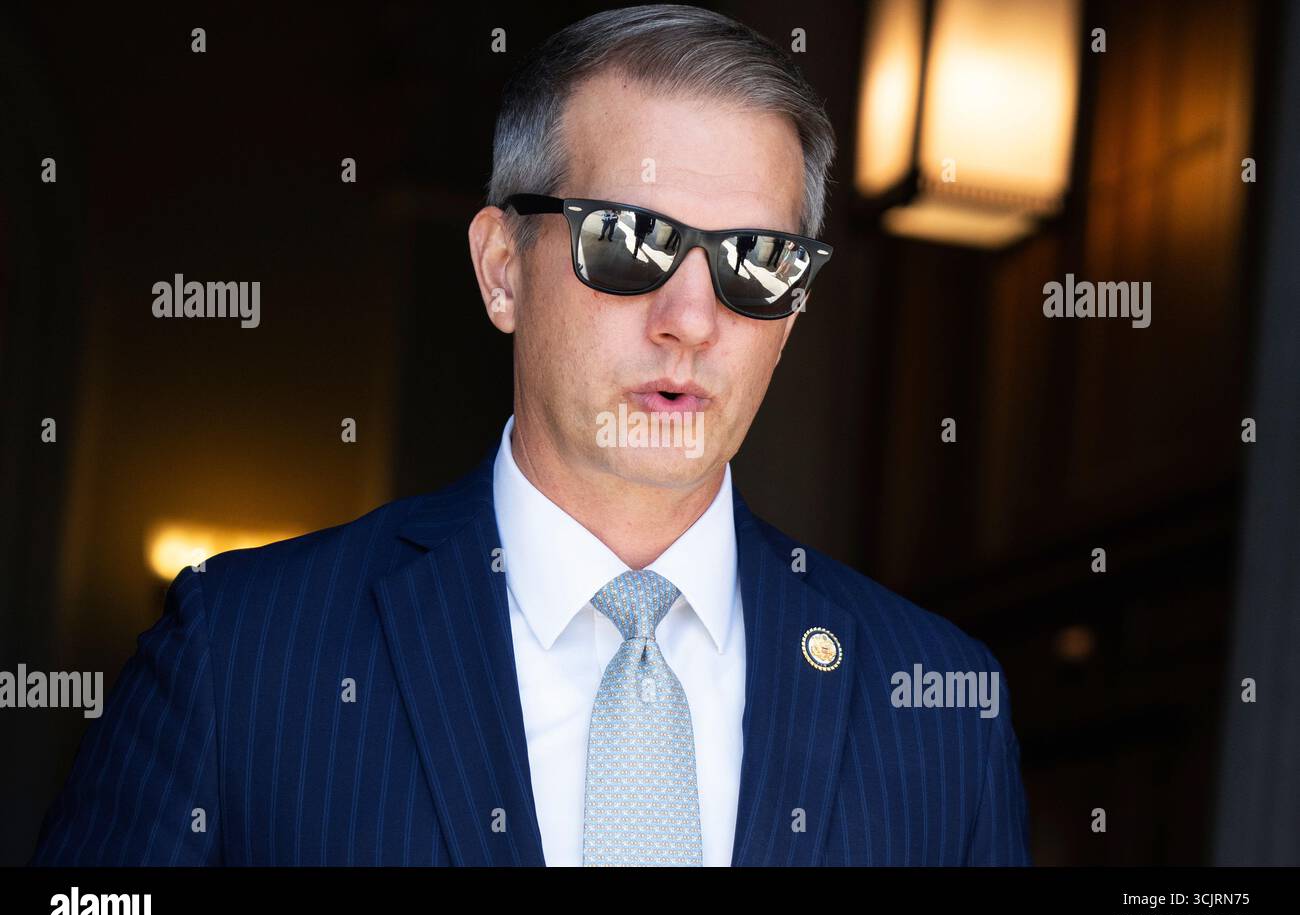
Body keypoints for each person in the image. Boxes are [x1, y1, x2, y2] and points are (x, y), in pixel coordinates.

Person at [29, 4, 1031, 867]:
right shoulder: (242, 653)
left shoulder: (936, 706)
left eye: (755, 261)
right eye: (629, 240)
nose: (691, 316)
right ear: (501, 267)